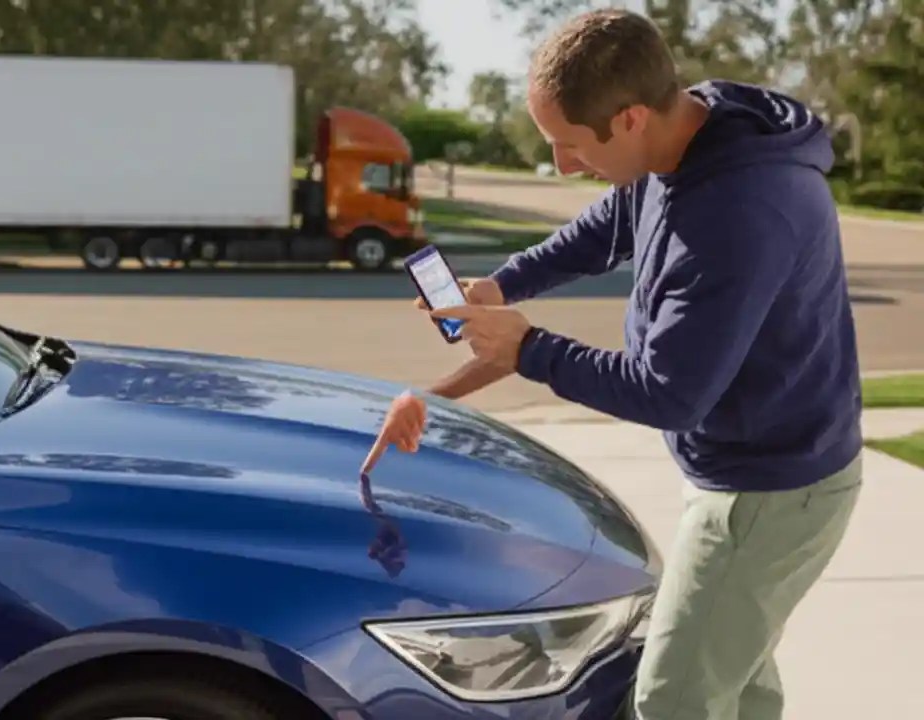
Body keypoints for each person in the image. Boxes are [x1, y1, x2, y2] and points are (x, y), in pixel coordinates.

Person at [365, 8, 864, 720]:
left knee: (672, 701)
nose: (565, 166)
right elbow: (608, 226)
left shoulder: (738, 214)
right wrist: (503, 286)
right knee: (739, 690)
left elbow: (668, 393)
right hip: (759, 471)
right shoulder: (689, 135)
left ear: (629, 118)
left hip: (772, 492)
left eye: (570, 147)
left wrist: (529, 349)